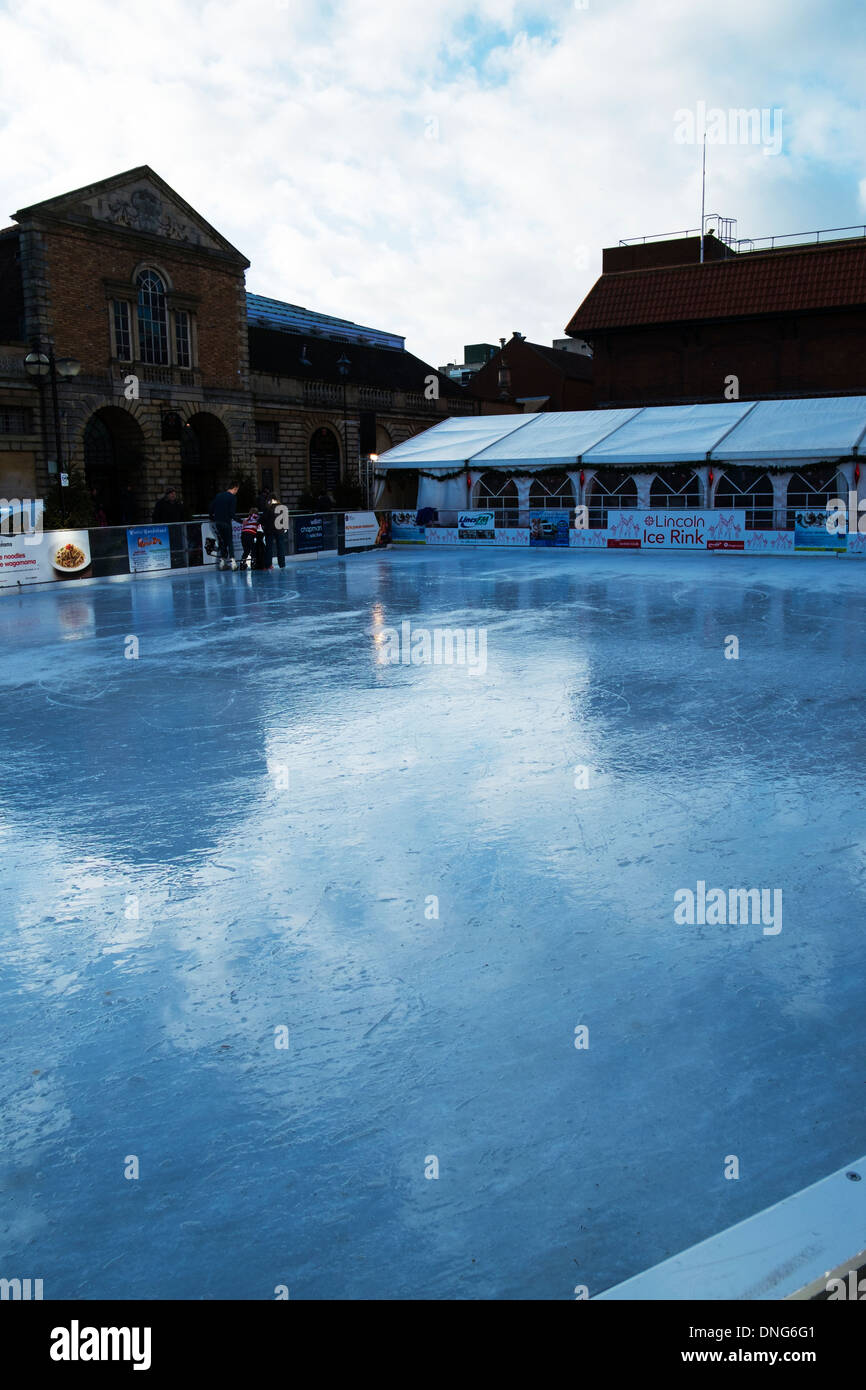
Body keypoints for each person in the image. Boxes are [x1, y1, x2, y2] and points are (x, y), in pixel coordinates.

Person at [209, 482, 240, 566]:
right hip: (226, 522)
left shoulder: (218, 496)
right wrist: (240, 521)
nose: (237, 492)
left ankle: (222, 561)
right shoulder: (232, 498)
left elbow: (211, 507)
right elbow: (232, 513)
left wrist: (212, 518)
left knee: (223, 542)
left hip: (218, 522)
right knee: (229, 541)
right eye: (237, 490)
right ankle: (233, 561)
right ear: (235, 488)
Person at [260, 494, 287, 569]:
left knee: (269, 547)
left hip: (269, 530)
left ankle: (268, 564)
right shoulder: (283, 507)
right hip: (280, 530)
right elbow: (285, 520)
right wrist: (284, 528)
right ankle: (282, 564)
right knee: (280, 547)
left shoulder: (268, 508)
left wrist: (262, 524)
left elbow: (262, 519)